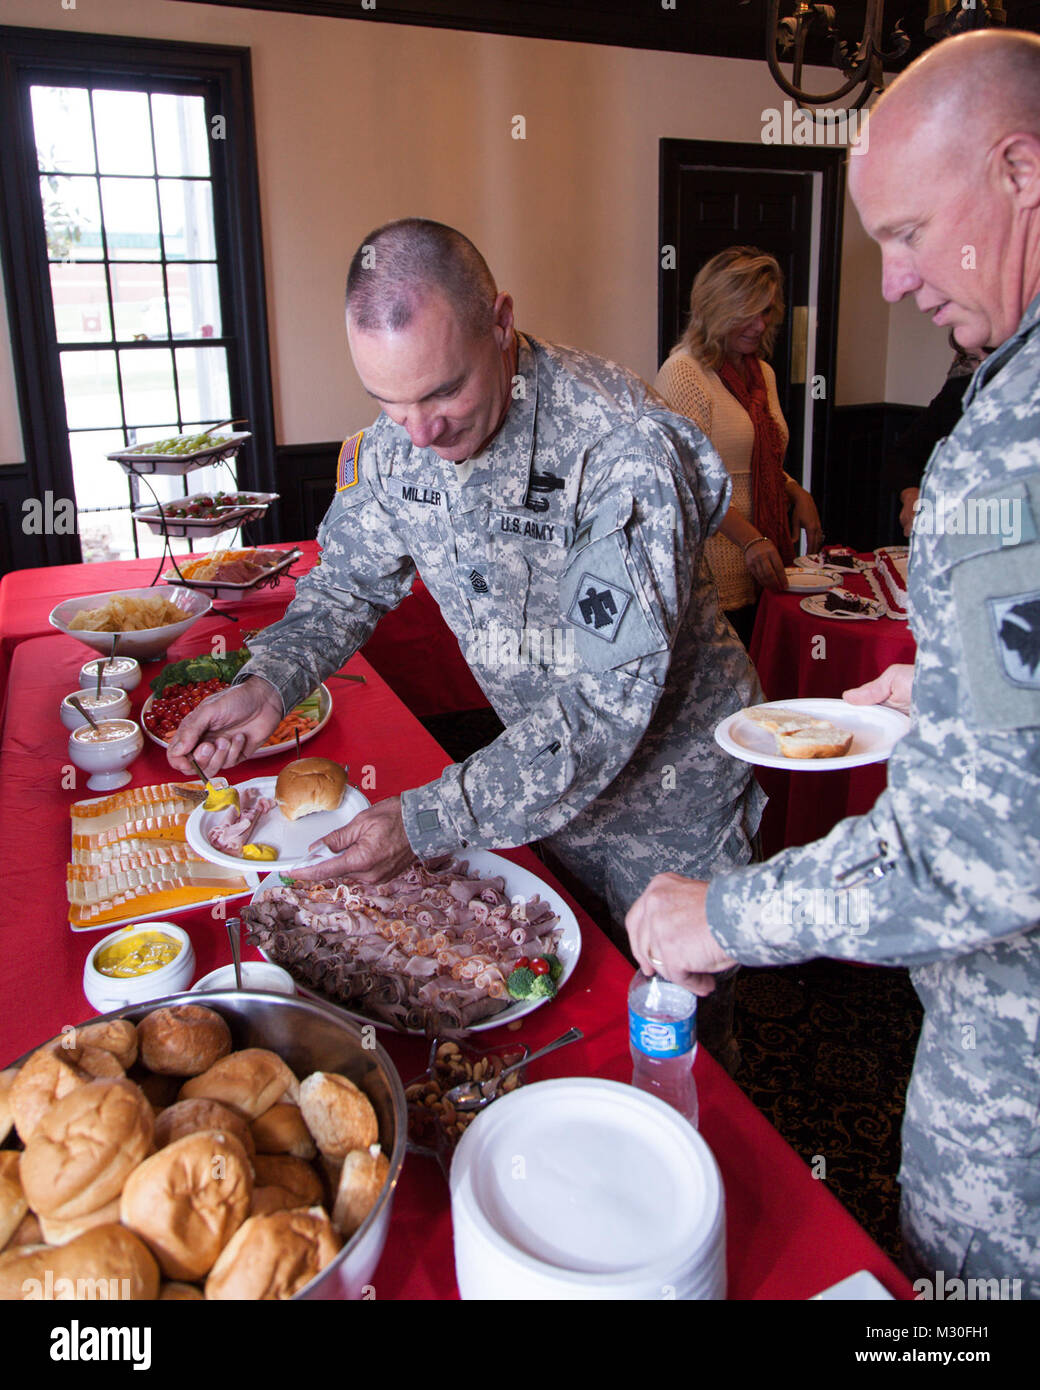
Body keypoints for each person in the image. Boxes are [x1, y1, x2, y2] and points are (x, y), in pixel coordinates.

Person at [626, 27, 1040, 1295]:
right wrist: (954, 694)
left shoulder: (1011, 437)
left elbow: (983, 857)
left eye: (908, 232)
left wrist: (727, 912)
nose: (897, 280)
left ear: (1020, 172)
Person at [168, 219, 766, 960]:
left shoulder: (617, 447)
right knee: (566, 991)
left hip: (671, 797)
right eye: (389, 402)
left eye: (442, 390)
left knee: (674, 1028)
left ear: (501, 323)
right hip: (540, 783)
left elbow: (607, 703)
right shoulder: (397, 446)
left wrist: (427, 819)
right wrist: (270, 683)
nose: (418, 432)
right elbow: (347, 584)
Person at [654, 247, 823, 645]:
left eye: (767, 312)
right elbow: (688, 480)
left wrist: (794, 490)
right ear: (716, 308)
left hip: (762, 566)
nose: (760, 325)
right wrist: (750, 538)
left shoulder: (761, 373)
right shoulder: (684, 373)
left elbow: (752, 463)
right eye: (748, 312)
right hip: (712, 573)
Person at [885, 333, 983, 537]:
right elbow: (903, 456)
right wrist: (911, 493)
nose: (985, 369)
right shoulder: (959, 391)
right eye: (973, 358)